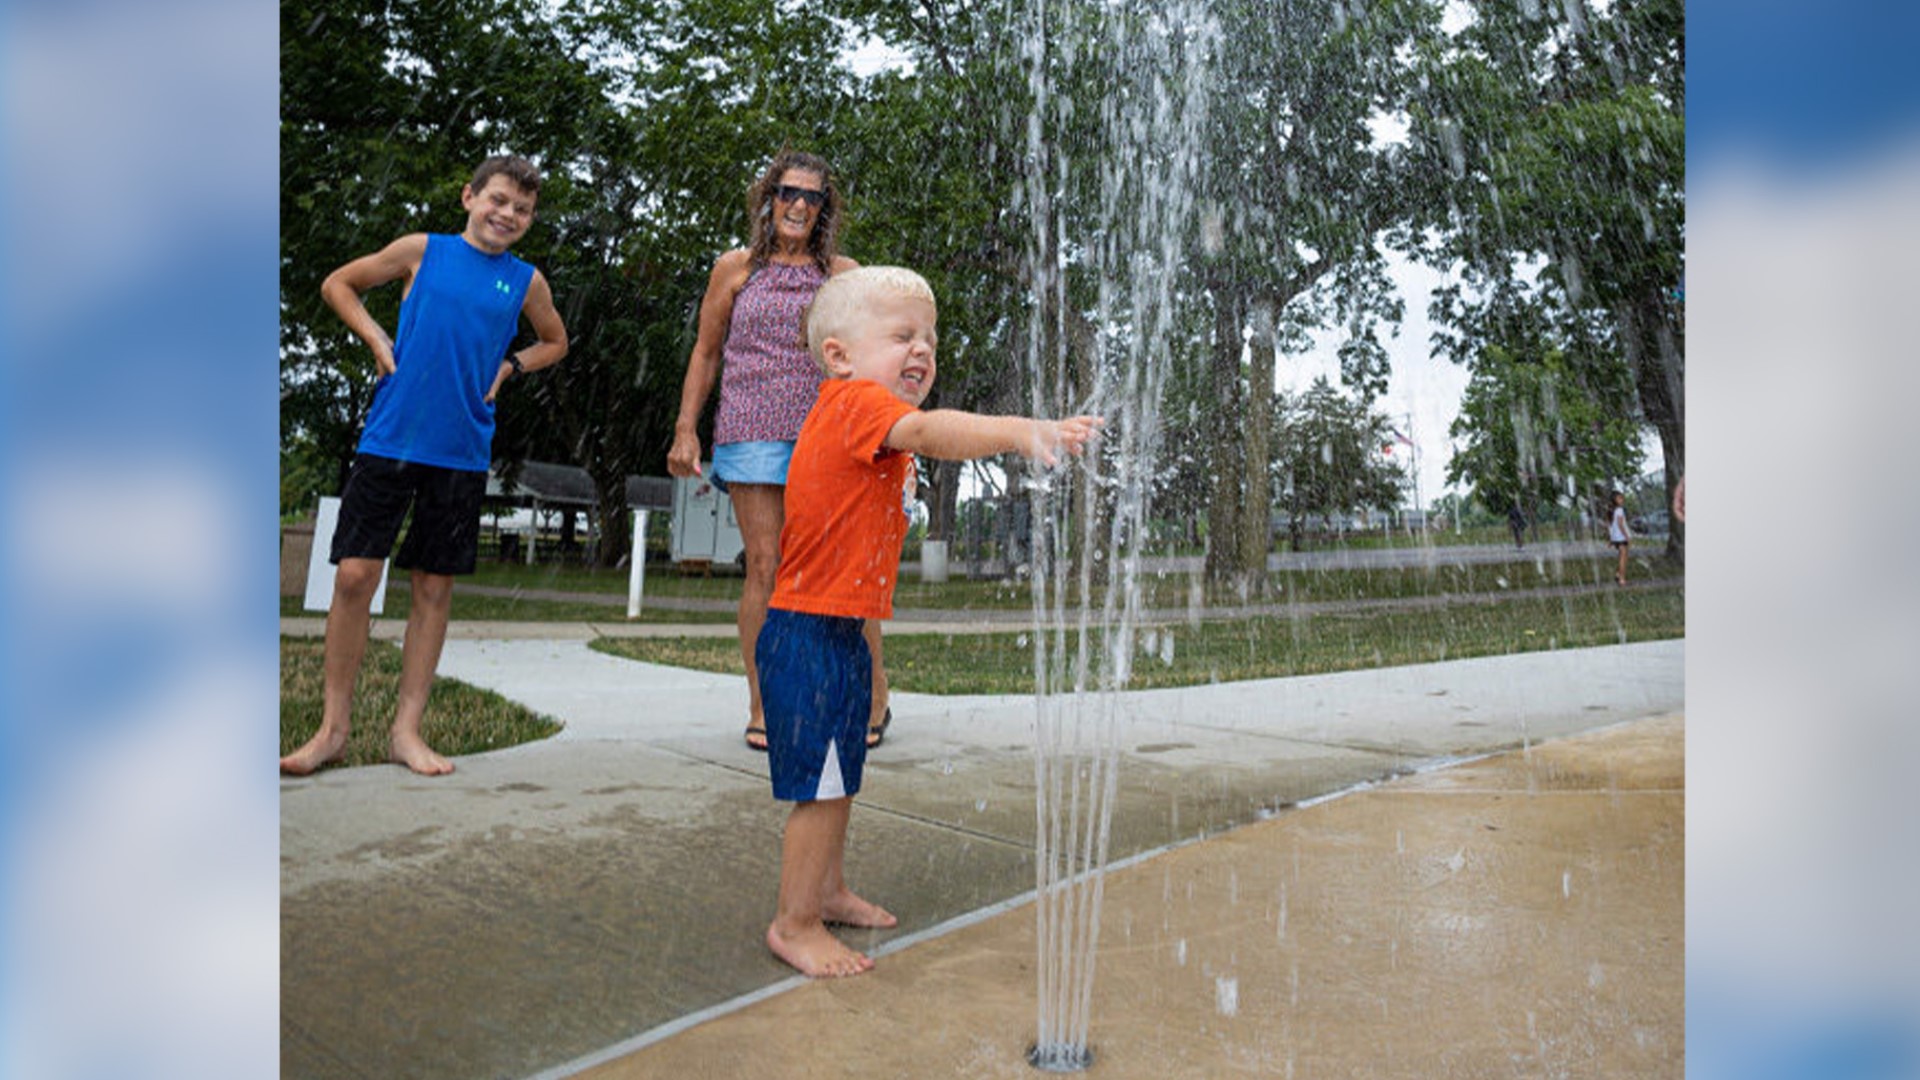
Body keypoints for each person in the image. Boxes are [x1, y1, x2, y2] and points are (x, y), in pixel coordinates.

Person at [758, 266, 1100, 977]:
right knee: (819, 788)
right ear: (839, 356)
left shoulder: (861, 419)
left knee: (840, 775)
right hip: (808, 632)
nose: (922, 349)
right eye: (902, 336)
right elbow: (929, 428)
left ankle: (826, 890)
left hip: (837, 631)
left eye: (930, 340)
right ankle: (794, 923)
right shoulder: (856, 402)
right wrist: (1019, 431)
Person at [280, 155, 568, 776]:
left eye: (521, 209)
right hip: (390, 439)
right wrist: (376, 338)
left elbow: (555, 341)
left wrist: (510, 367)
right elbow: (338, 284)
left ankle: (405, 732)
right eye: (497, 200)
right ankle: (331, 731)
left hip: (461, 451)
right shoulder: (422, 251)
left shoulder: (526, 281)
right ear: (469, 197)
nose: (507, 214)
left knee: (434, 588)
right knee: (354, 576)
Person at [667, 149, 895, 753]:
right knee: (766, 567)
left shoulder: (843, 274)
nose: (798, 205)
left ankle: (872, 694)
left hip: (829, 432)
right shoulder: (735, 269)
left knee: (839, 568)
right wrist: (686, 427)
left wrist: (890, 431)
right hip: (750, 429)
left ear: (824, 209)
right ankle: (765, 703)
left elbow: (873, 356)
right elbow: (706, 352)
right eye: (787, 192)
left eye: (811, 197)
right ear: (768, 199)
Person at [1608, 490, 1632, 586]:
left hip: (1616, 538)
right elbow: (1620, 524)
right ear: (1615, 500)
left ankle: (1618, 574)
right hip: (1621, 537)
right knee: (1623, 559)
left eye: (1622, 498)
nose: (1622, 500)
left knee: (1622, 557)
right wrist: (1627, 536)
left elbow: (1612, 526)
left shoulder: (1613, 511)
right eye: (1619, 498)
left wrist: (1611, 539)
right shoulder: (1620, 510)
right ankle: (1622, 579)